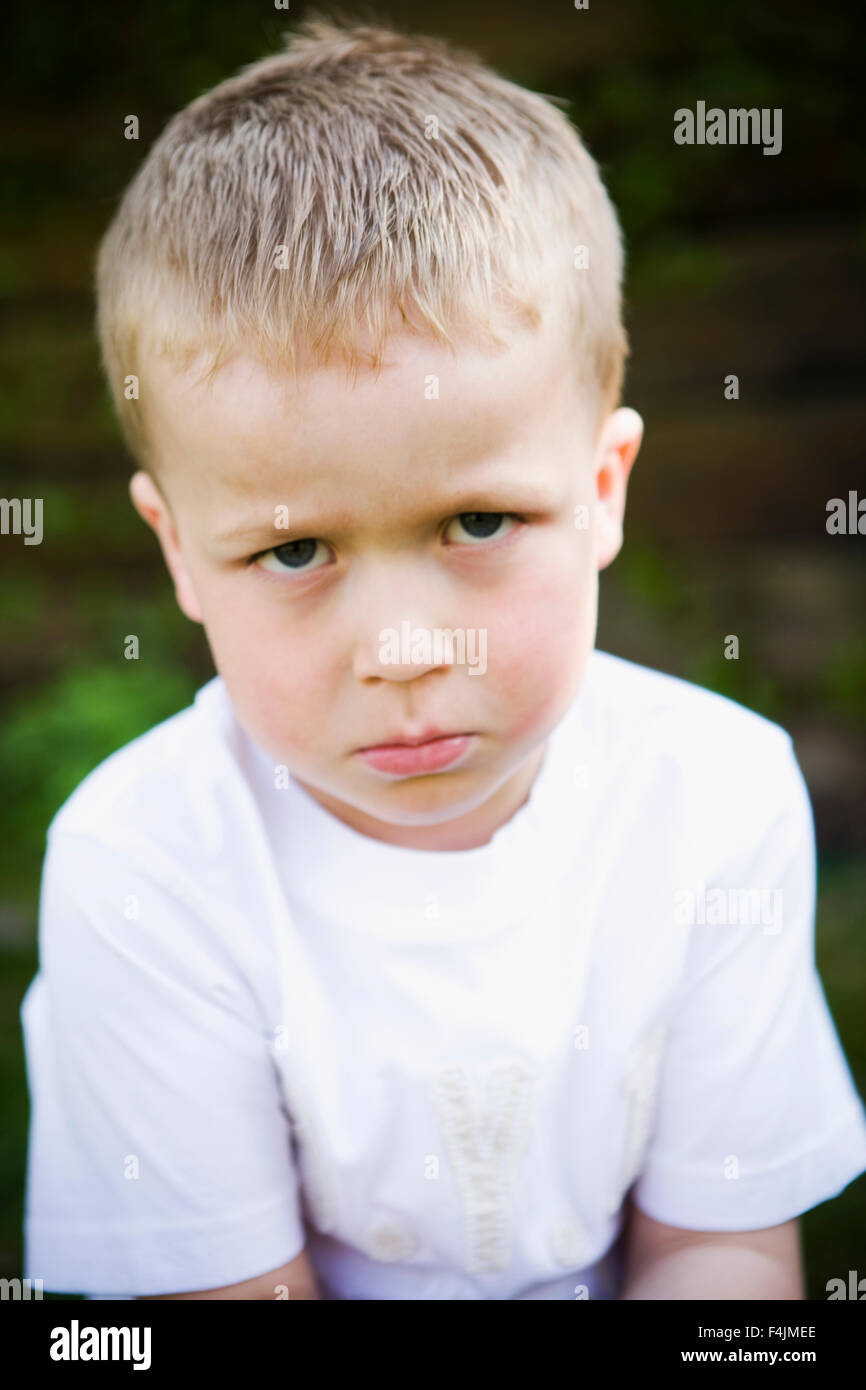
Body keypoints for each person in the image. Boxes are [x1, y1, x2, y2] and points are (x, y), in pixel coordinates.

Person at [20, 15, 866, 1300]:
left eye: (477, 523)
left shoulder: (716, 800)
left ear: (599, 485)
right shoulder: (144, 864)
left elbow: (719, 1246)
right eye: (294, 551)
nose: (407, 649)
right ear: (179, 551)